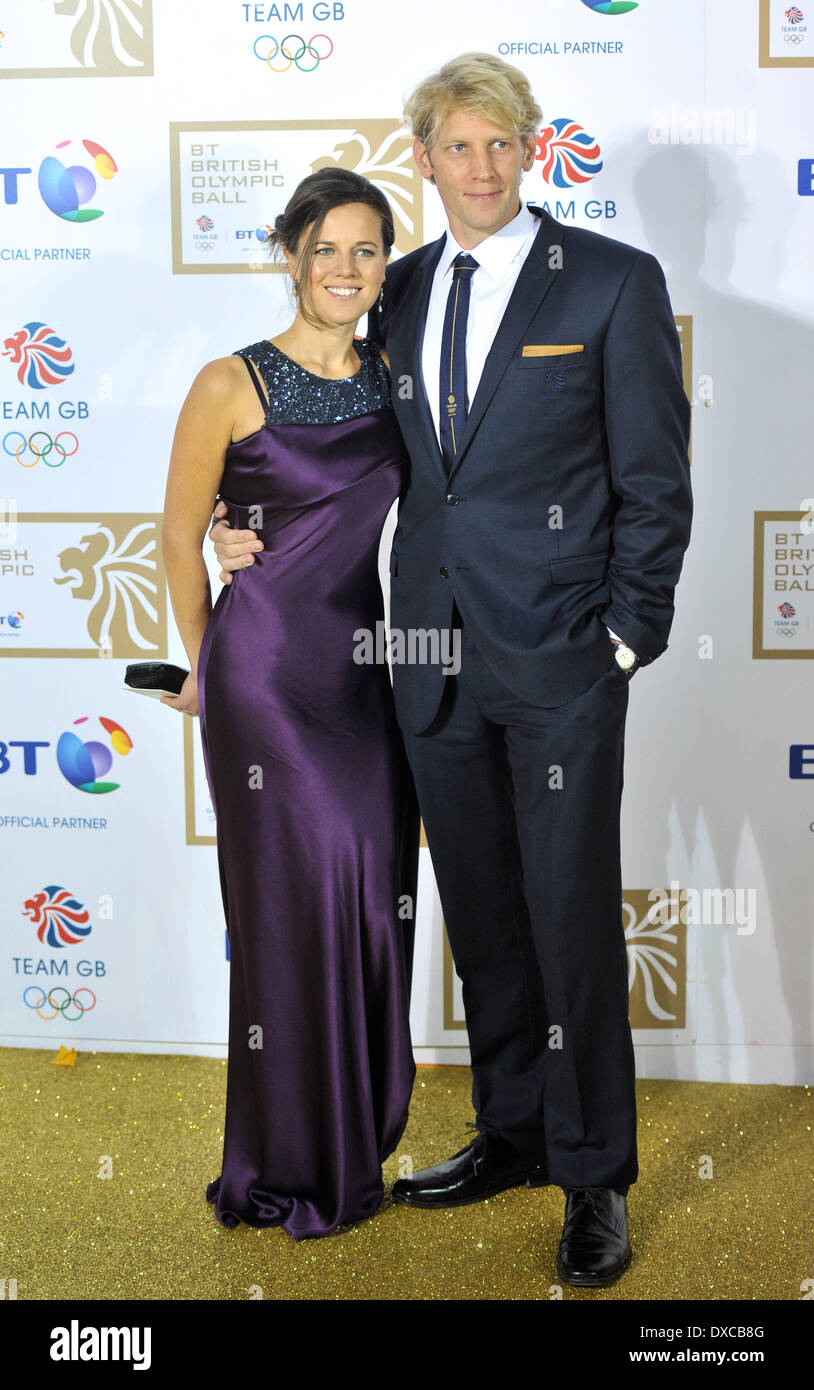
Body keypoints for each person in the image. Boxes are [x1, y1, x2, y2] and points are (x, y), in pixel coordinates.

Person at [208, 52, 693, 1284]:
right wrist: (235, 520)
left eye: (500, 144)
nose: (479, 168)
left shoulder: (612, 283)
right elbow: (333, 437)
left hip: (562, 664)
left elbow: (653, 483)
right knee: (482, 920)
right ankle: (513, 1130)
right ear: (421, 156)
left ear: (530, 150)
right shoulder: (399, 286)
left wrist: (624, 636)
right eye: (455, 147)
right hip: (421, 661)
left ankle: (594, 1178)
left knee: (573, 924)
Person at [160, 167, 420, 1239]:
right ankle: (285, 1163)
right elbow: (180, 538)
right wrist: (210, 664)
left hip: (364, 675)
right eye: (327, 250)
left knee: (370, 897)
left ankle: (350, 1137)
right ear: (289, 253)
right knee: (288, 916)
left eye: (367, 251)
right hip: (264, 675)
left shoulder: (398, 375)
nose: (347, 270)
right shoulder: (230, 381)